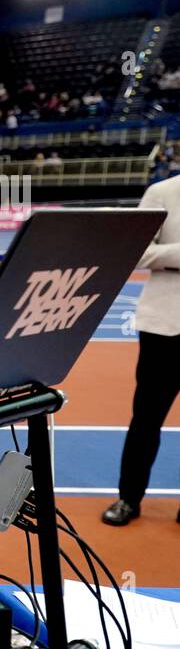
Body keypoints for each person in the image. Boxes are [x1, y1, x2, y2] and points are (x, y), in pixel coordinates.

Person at [102, 174, 180, 525]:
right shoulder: (162, 192)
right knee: (146, 419)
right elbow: (136, 250)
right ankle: (128, 499)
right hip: (163, 323)